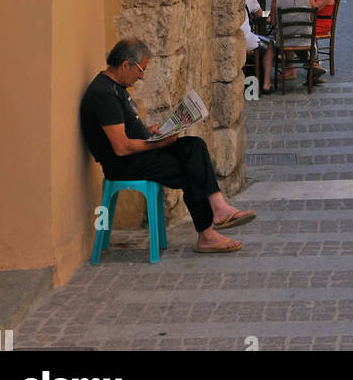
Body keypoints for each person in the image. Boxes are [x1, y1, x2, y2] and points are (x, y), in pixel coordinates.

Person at [80, 38, 254, 254]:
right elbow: (121, 147)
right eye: (141, 70)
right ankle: (209, 230)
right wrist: (158, 145)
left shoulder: (116, 87)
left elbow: (125, 129)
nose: (142, 76)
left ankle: (217, 210)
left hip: (138, 155)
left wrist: (149, 132)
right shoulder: (104, 95)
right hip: (124, 164)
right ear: (126, 65)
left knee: (195, 146)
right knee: (192, 167)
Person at [261, 0, 323, 92]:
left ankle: (266, 83)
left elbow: (273, 21)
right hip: (305, 41)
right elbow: (311, 19)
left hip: (284, 41)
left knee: (271, 45)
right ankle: (312, 65)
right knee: (300, 37)